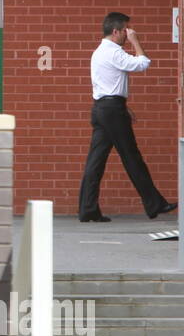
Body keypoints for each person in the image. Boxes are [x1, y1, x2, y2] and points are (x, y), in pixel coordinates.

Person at [76, 12, 178, 223]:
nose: (127, 33)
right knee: (132, 157)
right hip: (112, 110)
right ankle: (154, 204)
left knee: (96, 160)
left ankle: (88, 208)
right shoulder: (113, 52)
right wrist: (136, 41)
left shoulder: (99, 52)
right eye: (125, 30)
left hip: (103, 108)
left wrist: (121, 104)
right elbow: (143, 63)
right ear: (116, 31)